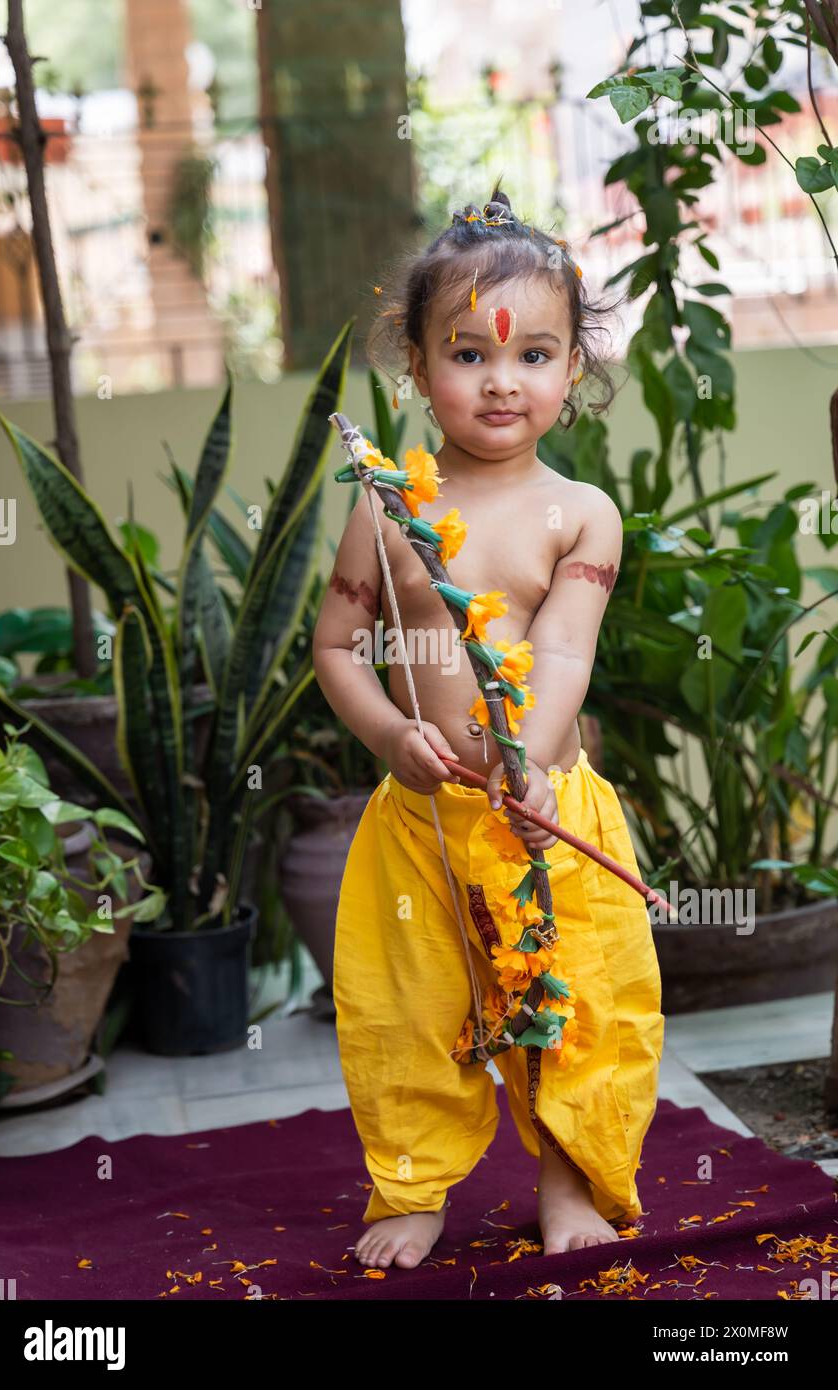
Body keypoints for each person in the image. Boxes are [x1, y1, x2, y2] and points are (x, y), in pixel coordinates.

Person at [312, 183, 664, 1272]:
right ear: (417, 369)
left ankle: (570, 1182)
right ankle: (412, 1185)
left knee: (576, 1004)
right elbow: (338, 648)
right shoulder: (387, 510)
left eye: (534, 354)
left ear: (574, 369)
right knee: (410, 1008)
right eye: (467, 354)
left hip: (547, 817)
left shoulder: (580, 514)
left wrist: (529, 763)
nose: (501, 379)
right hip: (419, 821)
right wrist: (385, 737)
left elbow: (563, 650)